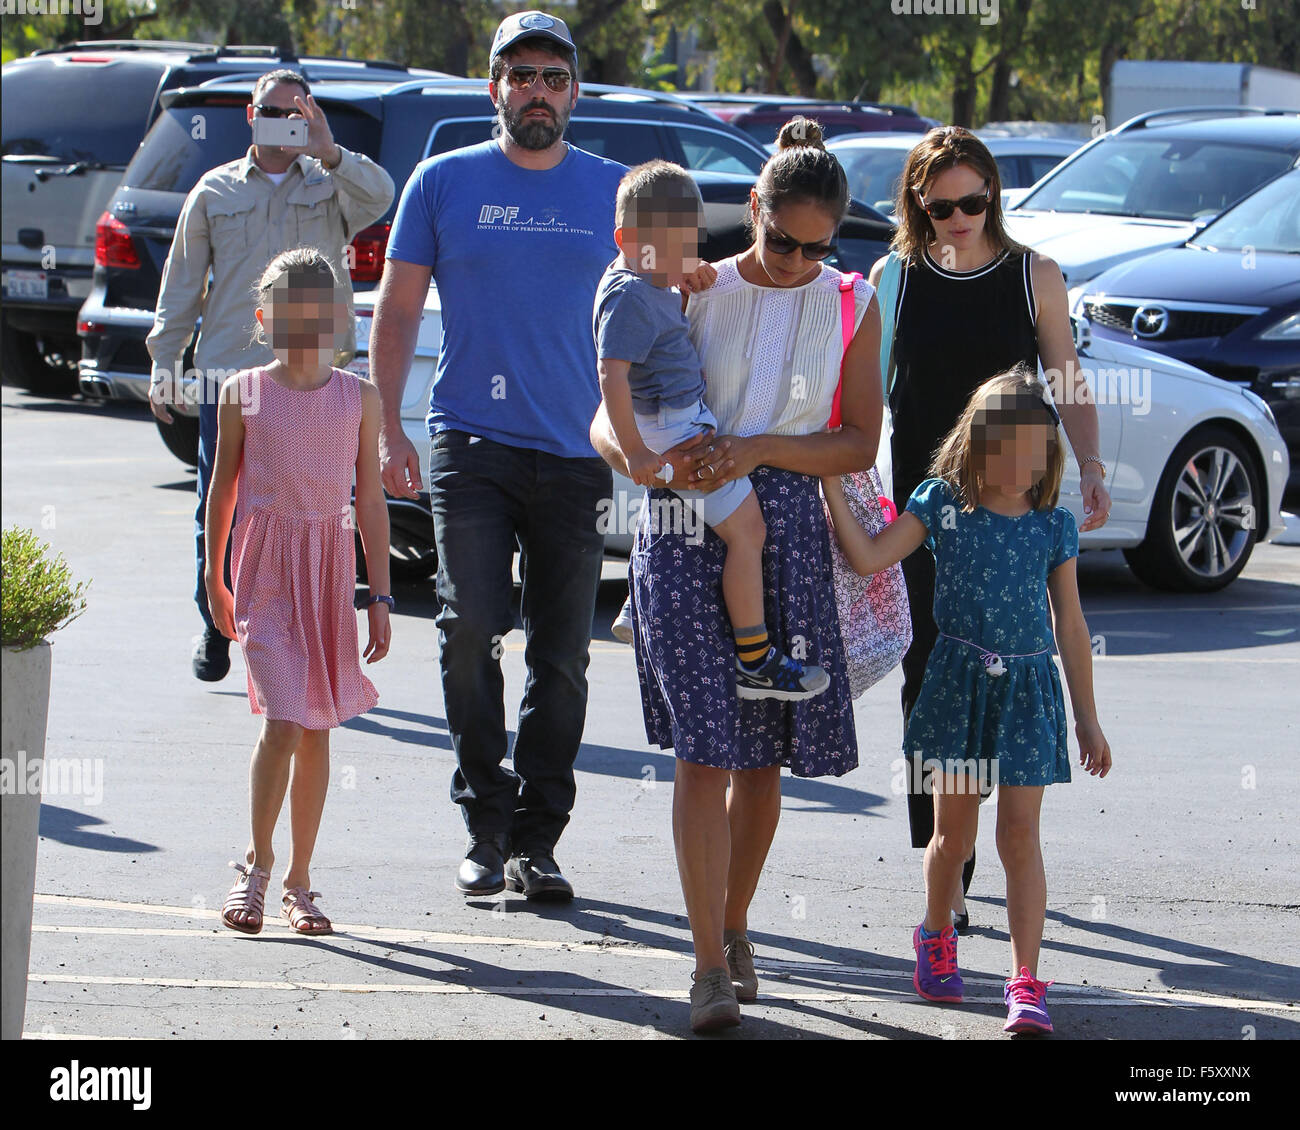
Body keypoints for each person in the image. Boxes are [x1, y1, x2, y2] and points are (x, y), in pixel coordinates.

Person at [591, 117, 882, 1032]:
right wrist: (638, 460)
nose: (798, 259)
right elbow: (611, 406)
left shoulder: (852, 302)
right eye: (782, 238)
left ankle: (737, 921)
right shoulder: (693, 286)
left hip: (786, 529)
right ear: (751, 209)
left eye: (816, 246)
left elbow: (859, 442)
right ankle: (708, 964)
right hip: (682, 525)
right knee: (703, 752)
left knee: (763, 765)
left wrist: (753, 446)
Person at [371, 10, 624, 901]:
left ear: (574, 93)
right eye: (521, 76)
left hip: (577, 455)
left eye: (553, 78)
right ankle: (484, 823)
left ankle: (537, 838)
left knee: (562, 654)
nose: (538, 92)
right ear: (495, 88)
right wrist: (388, 428)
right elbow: (397, 312)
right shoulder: (442, 182)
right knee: (467, 626)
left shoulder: (617, 193)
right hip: (469, 444)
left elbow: (669, 307)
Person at [870, 126, 1112, 932]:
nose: (960, 216)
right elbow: (867, 394)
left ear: (993, 197)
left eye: (974, 201)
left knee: (1016, 656)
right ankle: (950, 861)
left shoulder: (1033, 275)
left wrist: (1093, 464)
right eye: (942, 206)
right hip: (929, 504)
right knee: (928, 665)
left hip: (1016, 501)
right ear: (919, 206)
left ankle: (999, 843)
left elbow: (1066, 373)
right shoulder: (895, 278)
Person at [822, 364, 1112, 1034]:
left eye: (1035, 453)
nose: (1020, 467)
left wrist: (1087, 720)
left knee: (1020, 837)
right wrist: (831, 480)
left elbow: (1070, 625)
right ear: (977, 443)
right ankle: (935, 933)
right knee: (953, 839)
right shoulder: (940, 503)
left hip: (1027, 695)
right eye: (1007, 450)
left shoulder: (1052, 526)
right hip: (957, 689)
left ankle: (1026, 981)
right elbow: (868, 557)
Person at [148, 69, 394, 683]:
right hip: (230, 374)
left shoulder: (332, 184)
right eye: (272, 111)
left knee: (315, 505)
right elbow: (182, 283)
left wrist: (329, 149)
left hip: (317, 377)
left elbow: (382, 196)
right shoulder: (214, 191)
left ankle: (304, 626)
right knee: (221, 496)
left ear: (309, 114)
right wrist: (163, 361)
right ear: (249, 115)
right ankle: (217, 616)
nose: (284, 122)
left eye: (296, 111)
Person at [204, 248, 393, 936]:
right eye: (289, 314)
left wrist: (381, 594)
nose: (305, 326)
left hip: (329, 573)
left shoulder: (358, 397)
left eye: (317, 314)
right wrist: (212, 574)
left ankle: (300, 883)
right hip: (264, 574)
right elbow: (221, 489)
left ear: (339, 318)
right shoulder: (244, 391)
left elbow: (370, 502)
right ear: (265, 318)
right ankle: (255, 871)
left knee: (316, 728)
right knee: (283, 719)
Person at [595, 160, 830, 701]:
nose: (681, 254)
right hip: (673, 429)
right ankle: (755, 657)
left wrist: (681, 270)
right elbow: (611, 371)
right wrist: (635, 451)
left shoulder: (640, 275)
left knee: (692, 519)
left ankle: (638, 606)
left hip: (672, 423)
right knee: (746, 533)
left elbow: (656, 279)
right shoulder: (630, 296)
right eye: (667, 244)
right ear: (626, 239)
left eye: (688, 241)